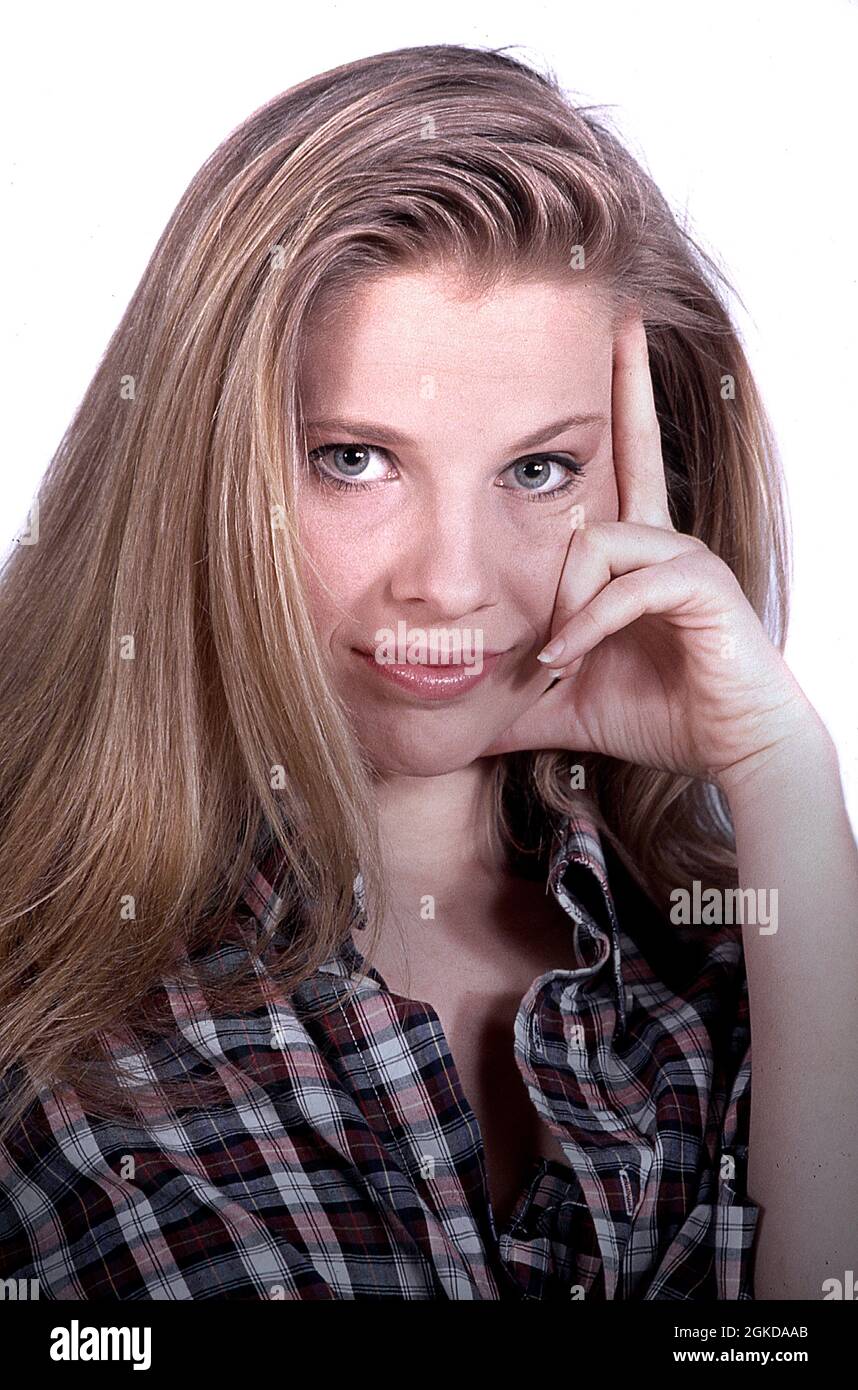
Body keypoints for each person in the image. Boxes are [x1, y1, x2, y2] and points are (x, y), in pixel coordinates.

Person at [0, 43, 855, 1301]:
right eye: (354, 459)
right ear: (196, 471)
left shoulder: (728, 968)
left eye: (540, 470)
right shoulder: (40, 996)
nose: (450, 583)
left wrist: (788, 788)